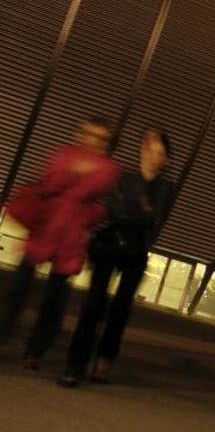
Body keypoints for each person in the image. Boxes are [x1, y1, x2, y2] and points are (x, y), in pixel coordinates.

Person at [58, 128, 174, 387]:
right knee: (93, 305)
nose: (153, 157)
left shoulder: (165, 187)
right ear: (141, 151)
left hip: (136, 251)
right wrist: (138, 209)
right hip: (110, 246)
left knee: (120, 310)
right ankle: (75, 364)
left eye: (160, 154)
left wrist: (131, 209)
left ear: (166, 159)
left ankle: (105, 360)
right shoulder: (124, 178)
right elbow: (113, 209)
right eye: (150, 151)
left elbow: (153, 217)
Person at [0, 116, 120, 367]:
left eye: (100, 138)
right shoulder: (63, 154)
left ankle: (36, 349)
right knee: (18, 288)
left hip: (71, 236)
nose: (92, 141)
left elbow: (96, 196)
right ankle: (3, 335)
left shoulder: (109, 169)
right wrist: (74, 175)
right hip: (45, 227)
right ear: (80, 133)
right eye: (88, 134)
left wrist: (73, 177)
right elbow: (48, 183)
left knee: (54, 298)